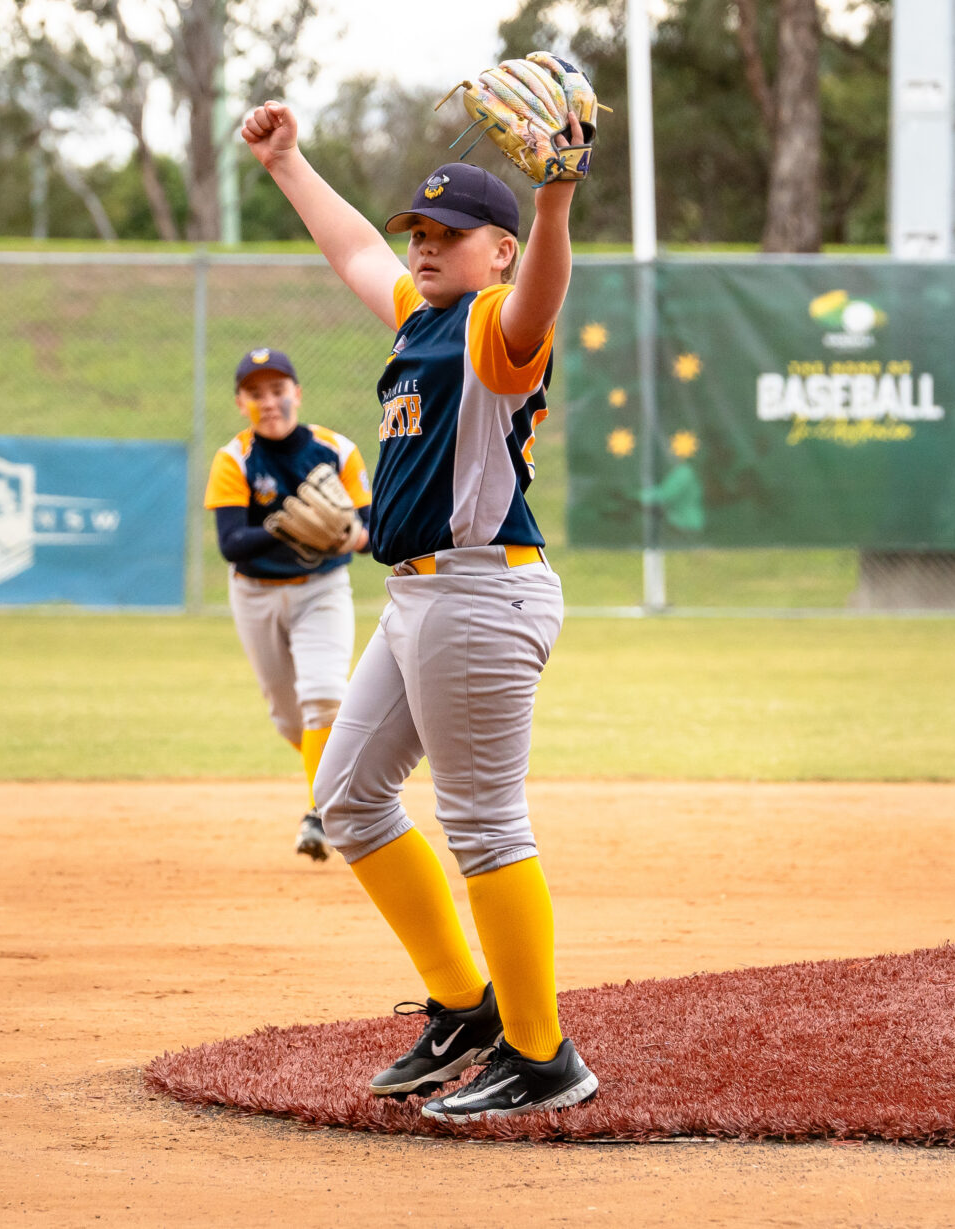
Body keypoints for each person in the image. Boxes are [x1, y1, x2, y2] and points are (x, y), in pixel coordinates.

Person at [240, 99, 597, 1121]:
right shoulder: (420, 316)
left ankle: (543, 1054)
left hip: (482, 591)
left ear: (499, 252)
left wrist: (555, 197)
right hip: (419, 597)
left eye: (451, 233)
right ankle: (465, 1006)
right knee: (349, 797)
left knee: (484, 823)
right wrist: (287, 163)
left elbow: (542, 298)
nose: (426, 245)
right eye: (421, 232)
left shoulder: (495, 326)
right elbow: (355, 248)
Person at [204, 346, 372, 861]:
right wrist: (287, 526)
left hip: (322, 589)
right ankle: (342, 772)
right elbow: (232, 543)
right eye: (255, 393)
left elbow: (374, 533)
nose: (269, 401)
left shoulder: (337, 451)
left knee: (324, 697)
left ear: (297, 393)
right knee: (290, 719)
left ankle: (322, 813)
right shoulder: (234, 459)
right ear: (241, 404)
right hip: (255, 594)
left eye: (278, 390)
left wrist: (354, 536)